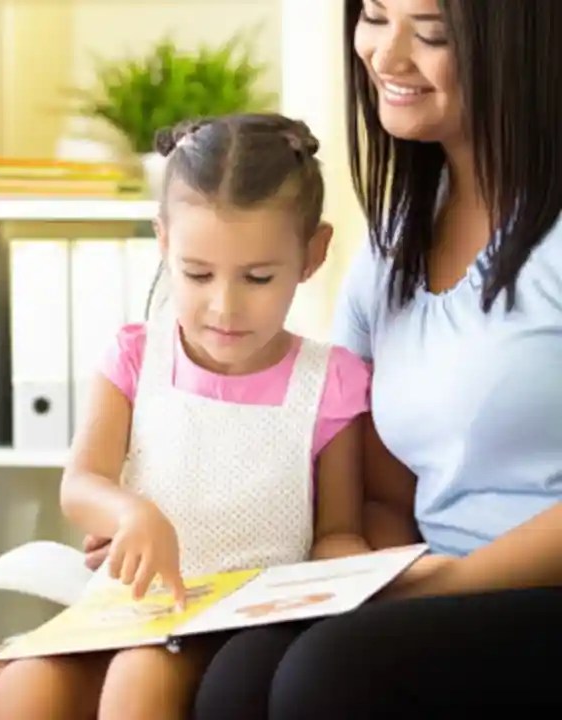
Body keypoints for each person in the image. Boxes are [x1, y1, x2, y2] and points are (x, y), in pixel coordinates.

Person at [77, 1, 562, 717]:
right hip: (428, 583)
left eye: (431, 33)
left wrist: (437, 586)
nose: (386, 56)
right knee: (235, 679)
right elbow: (381, 490)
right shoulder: (394, 243)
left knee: (328, 676)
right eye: (373, 15)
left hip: (526, 591)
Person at [0, 114, 374, 720]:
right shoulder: (136, 356)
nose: (225, 305)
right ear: (163, 241)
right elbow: (81, 484)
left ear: (312, 254)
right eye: (196, 274)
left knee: (139, 681)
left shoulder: (332, 382)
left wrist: (338, 578)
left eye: (258, 277)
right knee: (23, 689)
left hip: (239, 625)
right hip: (130, 603)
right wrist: (129, 512)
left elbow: (340, 529)